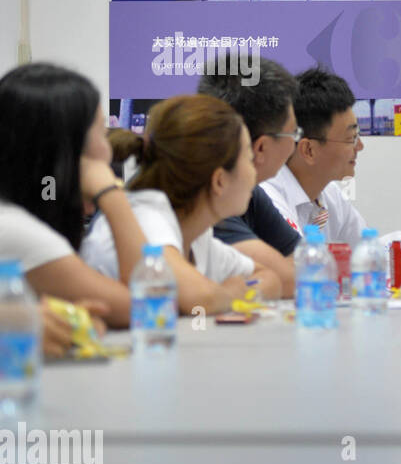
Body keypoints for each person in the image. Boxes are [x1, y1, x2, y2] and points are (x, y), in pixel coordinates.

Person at [80, 95, 282, 313]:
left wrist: (232, 294)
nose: (254, 172)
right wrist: (232, 294)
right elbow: (199, 298)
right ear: (219, 181)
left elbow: (270, 278)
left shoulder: (196, 234)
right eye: (249, 158)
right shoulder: (146, 217)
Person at [260, 67, 401, 261]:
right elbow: (304, 268)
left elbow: (366, 254)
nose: (360, 147)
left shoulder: (328, 193)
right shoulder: (268, 197)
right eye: (351, 139)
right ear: (309, 150)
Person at [0, 62, 146, 327]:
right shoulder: (17, 229)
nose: (109, 152)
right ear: (66, 148)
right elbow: (147, 305)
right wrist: (112, 195)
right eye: (101, 133)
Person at [196, 57, 302, 295]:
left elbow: (306, 265)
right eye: (293, 133)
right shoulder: (198, 191)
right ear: (260, 147)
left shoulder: (247, 191)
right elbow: (291, 280)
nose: (294, 145)